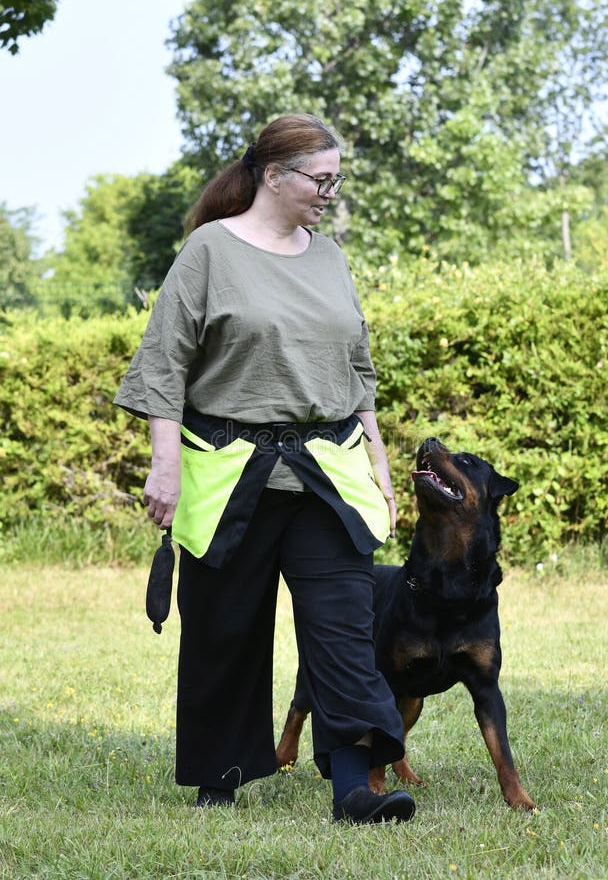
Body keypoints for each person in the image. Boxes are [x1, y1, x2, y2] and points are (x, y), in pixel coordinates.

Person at [114, 113, 416, 824]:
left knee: (343, 629)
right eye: (321, 179)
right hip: (231, 470)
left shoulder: (330, 256)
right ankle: (222, 773)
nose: (330, 192)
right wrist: (164, 466)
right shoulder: (210, 251)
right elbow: (164, 364)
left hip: (326, 474)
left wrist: (378, 459)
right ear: (273, 176)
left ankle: (352, 786)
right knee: (224, 625)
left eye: (336, 179)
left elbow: (358, 368)